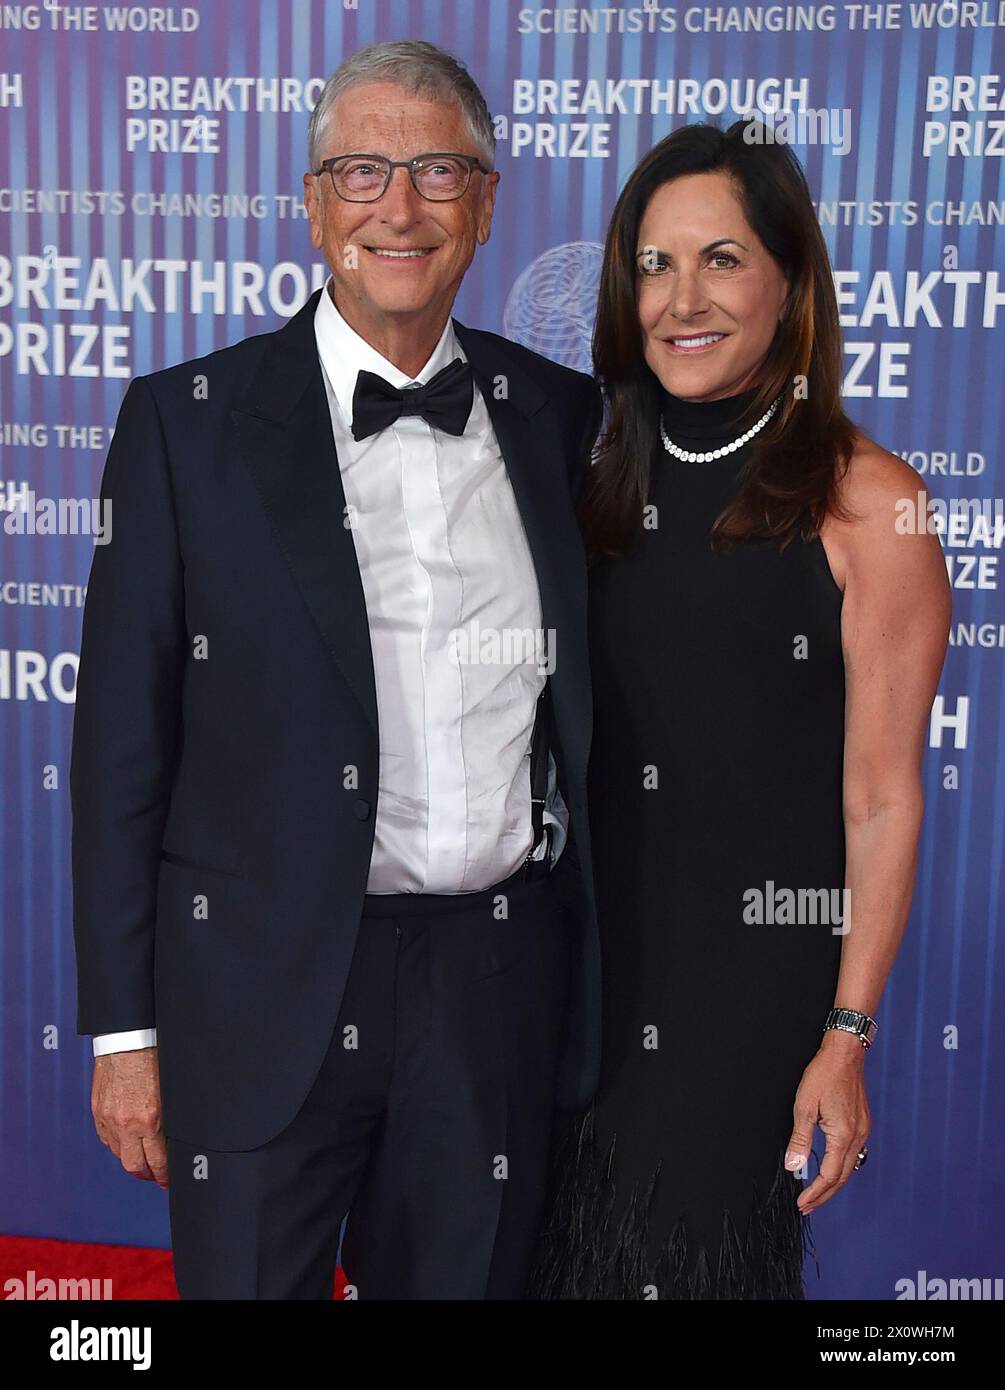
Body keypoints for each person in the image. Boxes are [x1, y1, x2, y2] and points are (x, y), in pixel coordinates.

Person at [71, 39, 603, 1301]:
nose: (398, 209)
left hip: (491, 992)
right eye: (361, 172)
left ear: (486, 203)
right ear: (314, 207)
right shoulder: (182, 424)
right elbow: (117, 753)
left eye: (435, 171)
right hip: (257, 992)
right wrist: (126, 1032)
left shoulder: (566, 419)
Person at [529, 120, 951, 1300]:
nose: (680, 298)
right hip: (566, 980)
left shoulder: (871, 507)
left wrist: (847, 1035)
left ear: (789, 280)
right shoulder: (591, 473)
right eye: (654, 265)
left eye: (721, 258)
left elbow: (881, 796)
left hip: (744, 999)